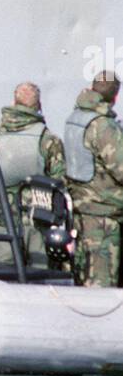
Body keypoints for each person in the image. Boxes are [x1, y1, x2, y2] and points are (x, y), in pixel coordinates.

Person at [0, 82, 65, 265]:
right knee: (41, 277)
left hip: (5, 219)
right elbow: (60, 180)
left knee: (4, 277)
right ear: (38, 106)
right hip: (38, 220)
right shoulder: (48, 140)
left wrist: (0, 199)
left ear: (14, 102)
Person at [64, 70, 123, 286]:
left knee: (85, 276)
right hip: (104, 213)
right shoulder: (103, 125)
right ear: (115, 97)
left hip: (82, 209)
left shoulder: (75, 118)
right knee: (102, 282)